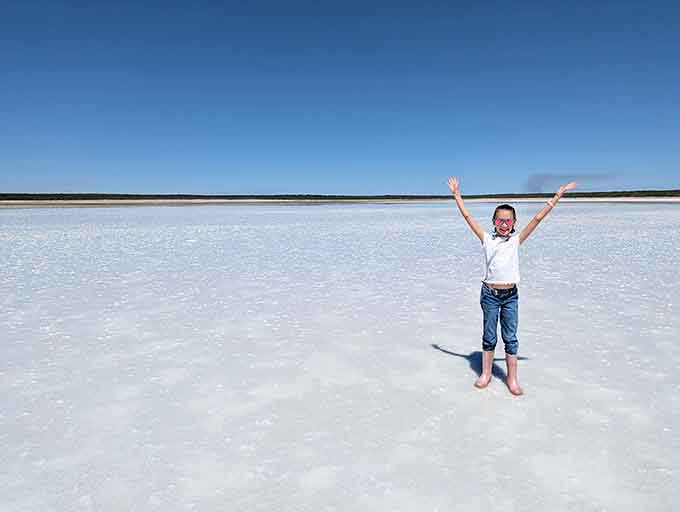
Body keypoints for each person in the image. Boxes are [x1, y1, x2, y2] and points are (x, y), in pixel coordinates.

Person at [446, 177, 577, 395]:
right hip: (489, 294)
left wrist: (557, 196)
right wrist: (457, 195)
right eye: (500, 221)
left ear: (514, 223)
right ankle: (486, 374)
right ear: (494, 222)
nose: (504, 225)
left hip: (510, 297)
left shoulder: (516, 240)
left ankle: (512, 378)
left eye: (508, 221)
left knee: (510, 337)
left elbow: (537, 219)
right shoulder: (487, 239)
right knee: (489, 336)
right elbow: (467, 216)